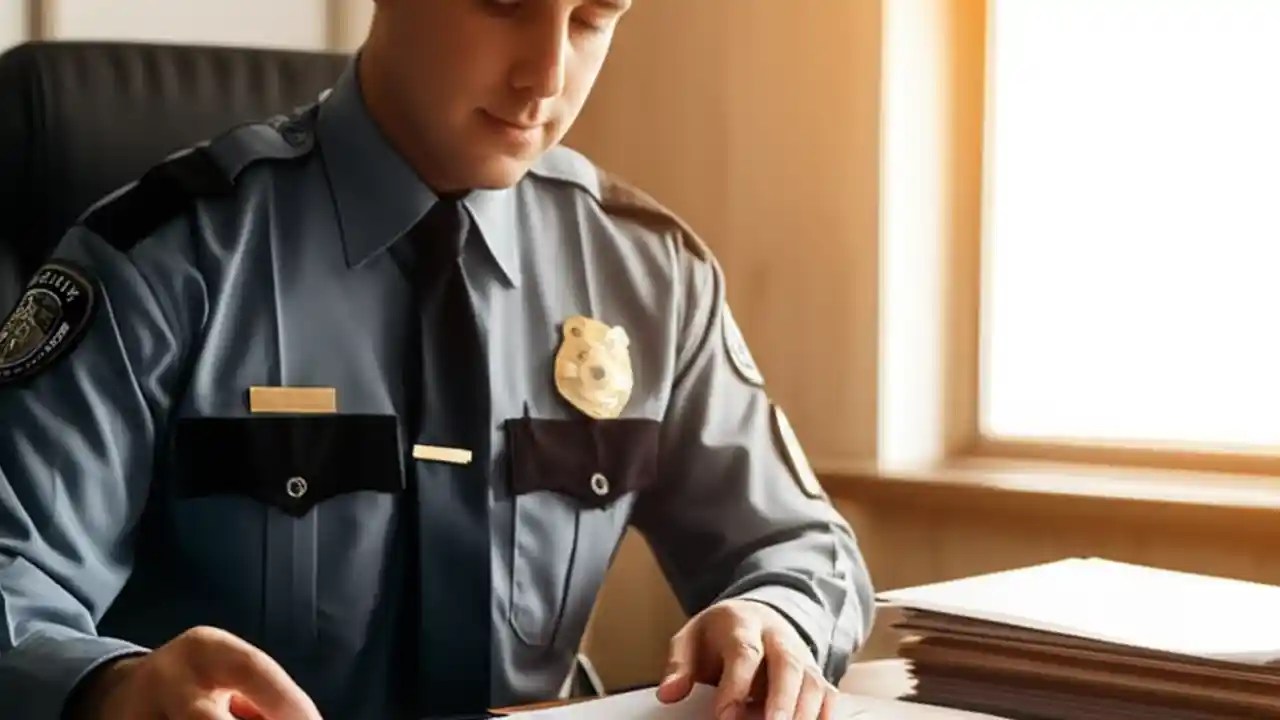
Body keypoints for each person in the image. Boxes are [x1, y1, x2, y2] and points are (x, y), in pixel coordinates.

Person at [0, 1, 875, 719]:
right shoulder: (163, 259)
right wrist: (112, 691)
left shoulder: (650, 276)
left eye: (591, 18)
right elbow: (14, 566)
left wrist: (775, 616)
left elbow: (802, 545)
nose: (546, 78)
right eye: (505, 5)